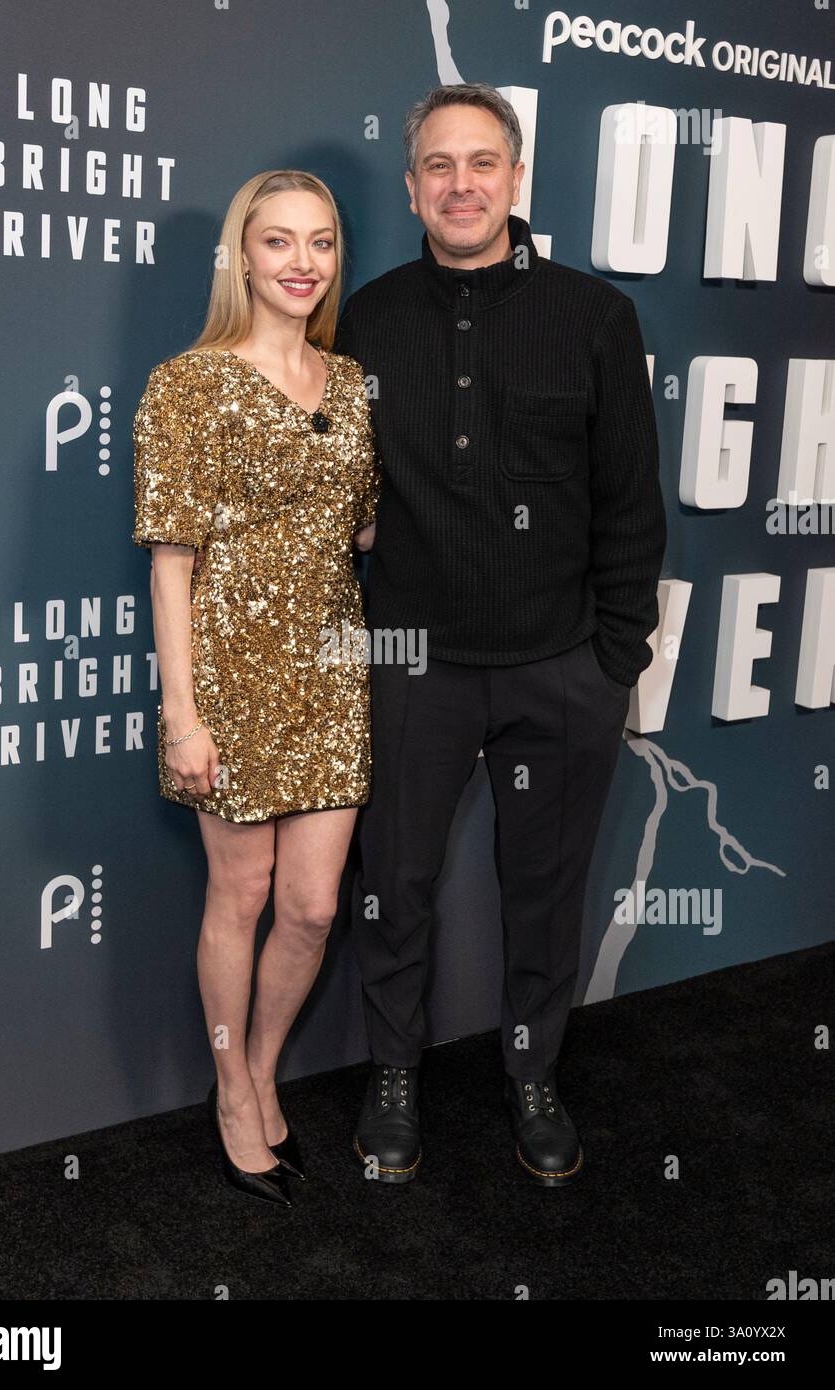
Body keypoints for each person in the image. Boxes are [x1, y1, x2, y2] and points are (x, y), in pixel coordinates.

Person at [334, 84, 667, 1186]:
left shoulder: (595, 316)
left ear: (516, 177)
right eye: (439, 165)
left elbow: (629, 504)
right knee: (395, 886)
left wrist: (611, 661)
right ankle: (392, 1076)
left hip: (563, 667)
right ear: (412, 181)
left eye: (482, 162)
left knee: (545, 890)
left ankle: (533, 1074)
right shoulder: (365, 318)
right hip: (412, 668)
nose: (461, 184)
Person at [132, 170, 380, 1206]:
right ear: (242, 255)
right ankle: (232, 1089)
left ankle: (263, 1064)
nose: (301, 262)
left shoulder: (354, 380)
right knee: (239, 895)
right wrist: (180, 715)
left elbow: (363, 525)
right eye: (277, 242)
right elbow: (170, 558)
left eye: (319, 242)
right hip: (228, 673)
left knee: (315, 906)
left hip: (331, 670)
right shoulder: (185, 382)